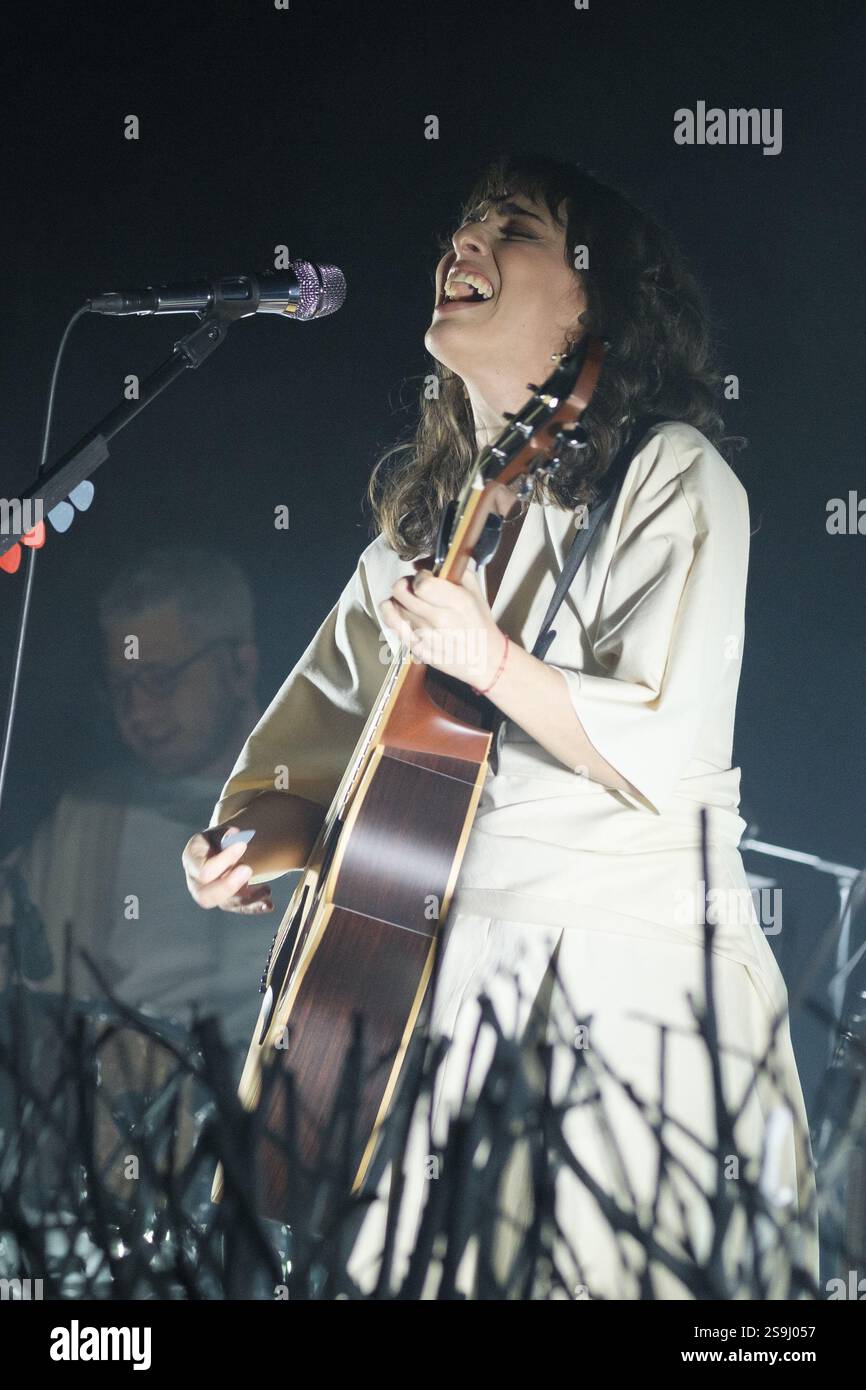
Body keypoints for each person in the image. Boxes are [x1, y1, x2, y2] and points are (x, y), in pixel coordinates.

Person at [182, 154, 818, 1298]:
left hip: (628, 1000)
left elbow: (666, 750)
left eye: (511, 228)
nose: (462, 243)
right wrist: (241, 847)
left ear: (596, 299)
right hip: (432, 1006)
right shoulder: (413, 549)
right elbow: (310, 776)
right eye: (461, 224)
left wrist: (493, 660)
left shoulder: (673, 478)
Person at [0, 546, 285, 1052]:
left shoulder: (320, 795)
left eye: (160, 678)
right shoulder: (88, 819)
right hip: (127, 1115)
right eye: (122, 685)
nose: (137, 708)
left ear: (240, 667)